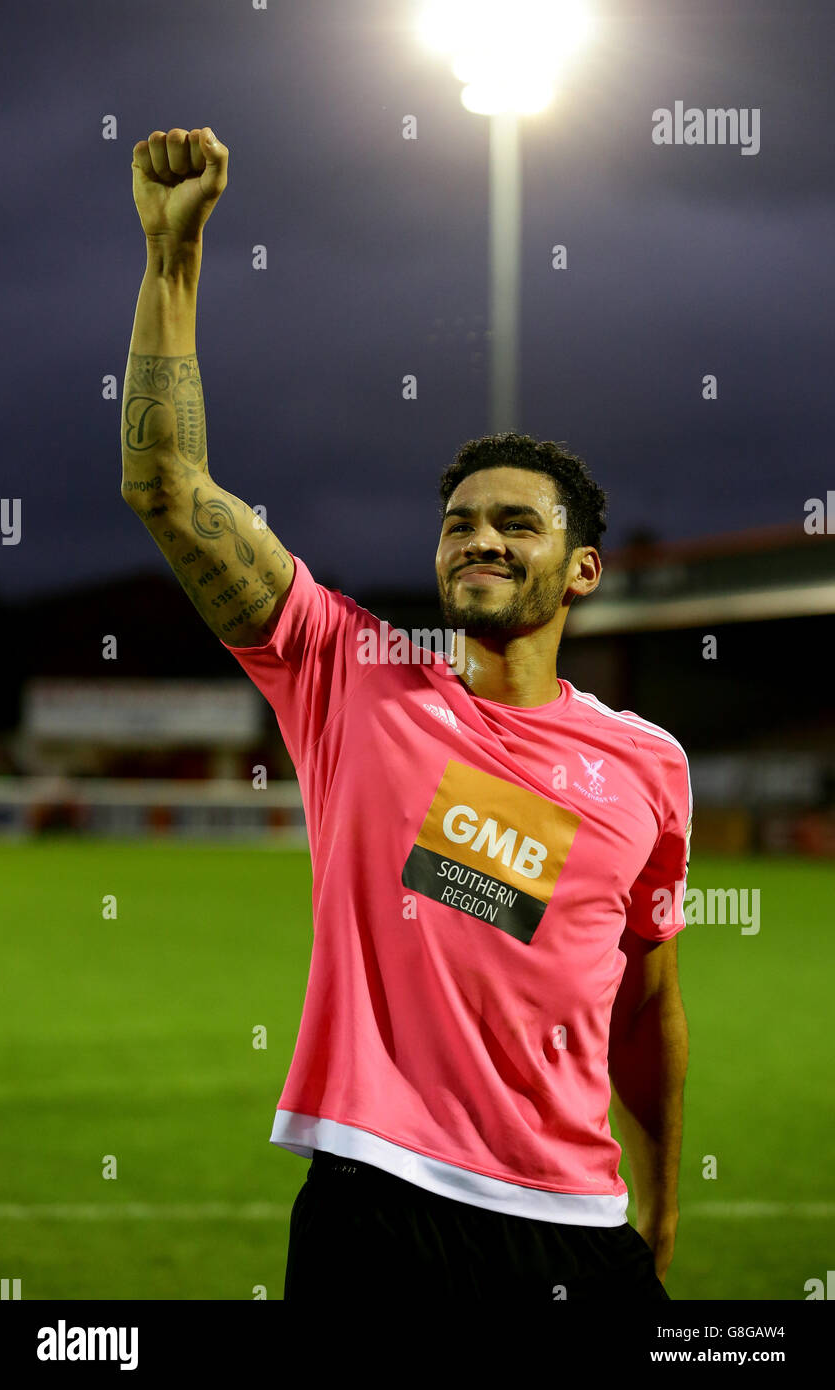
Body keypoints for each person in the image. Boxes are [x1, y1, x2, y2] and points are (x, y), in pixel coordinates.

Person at [122, 127, 691, 1301]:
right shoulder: (353, 671)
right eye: (457, 521)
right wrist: (170, 261)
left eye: (515, 523)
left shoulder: (648, 765)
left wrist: (663, 1196)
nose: (478, 537)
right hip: (376, 1211)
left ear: (582, 569)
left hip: (577, 1229)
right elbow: (166, 489)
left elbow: (642, 996)